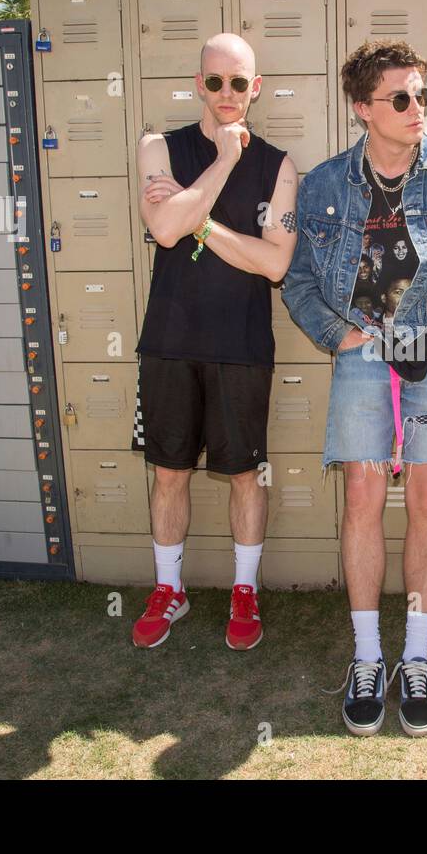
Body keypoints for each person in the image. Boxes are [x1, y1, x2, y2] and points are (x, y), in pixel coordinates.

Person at [282, 39, 427, 736]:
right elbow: (297, 280)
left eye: (423, 96)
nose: (418, 110)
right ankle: (367, 656)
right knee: (362, 496)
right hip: (362, 353)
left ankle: (416, 655)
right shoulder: (322, 184)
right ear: (362, 109)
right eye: (401, 98)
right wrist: (337, 333)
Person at [130, 33, 299, 651]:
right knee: (168, 470)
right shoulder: (159, 146)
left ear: (255, 88)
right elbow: (163, 230)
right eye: (214, 82)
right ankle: (169, 589)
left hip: (241, 344)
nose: (226, 94)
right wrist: (224, 161)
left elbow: (276, 265)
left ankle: (244, 592)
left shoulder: (279, 165)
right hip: (170, 341)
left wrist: (193, 213)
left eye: (238, 83)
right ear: (198, 83)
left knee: (243, 474)